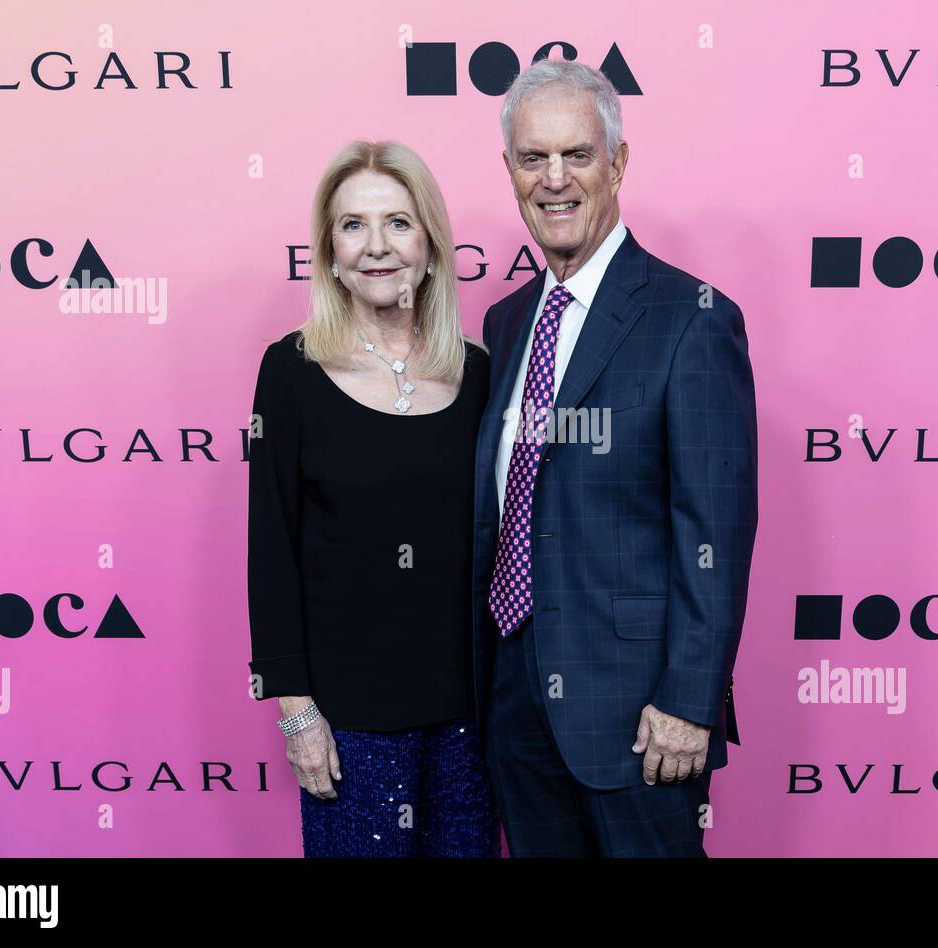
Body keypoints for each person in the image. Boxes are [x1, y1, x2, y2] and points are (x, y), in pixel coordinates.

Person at [471, 59, 759, 857]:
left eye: (578, 155)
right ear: (510, 171)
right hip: (513, 701)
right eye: (533, 158)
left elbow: (716, 532)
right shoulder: (504, 324)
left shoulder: (691, 319)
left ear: (618, 163)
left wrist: (690, 701)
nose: (555, 179)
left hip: (641, 717)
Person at [247, 140, 499, 858]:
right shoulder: (291, 372)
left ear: (430, 244)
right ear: (329, 250)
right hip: (350, 722)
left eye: (398, 222)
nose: (376, 247)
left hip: (473, 718)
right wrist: (297, 714)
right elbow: (272, 549)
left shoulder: (478, 370)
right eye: (353, 225)